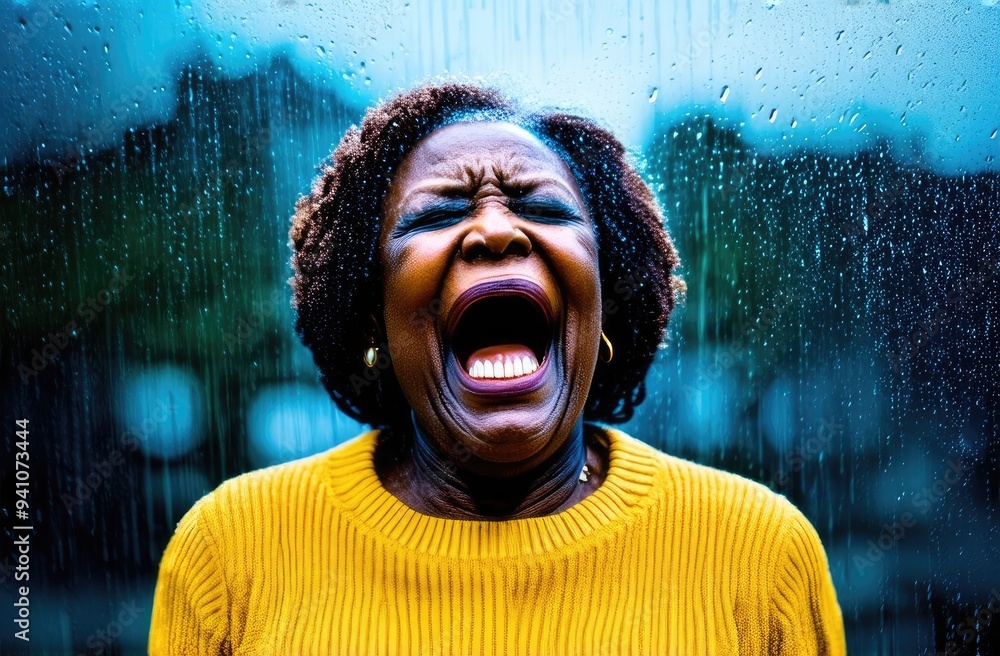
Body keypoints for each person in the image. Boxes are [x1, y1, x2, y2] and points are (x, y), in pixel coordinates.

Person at [149, 83, 846, 655]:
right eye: (437, 215)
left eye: (542, 208)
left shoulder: (759, 555)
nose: (494, 230)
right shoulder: (230, 554)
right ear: (373, 320)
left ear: (604, 303)